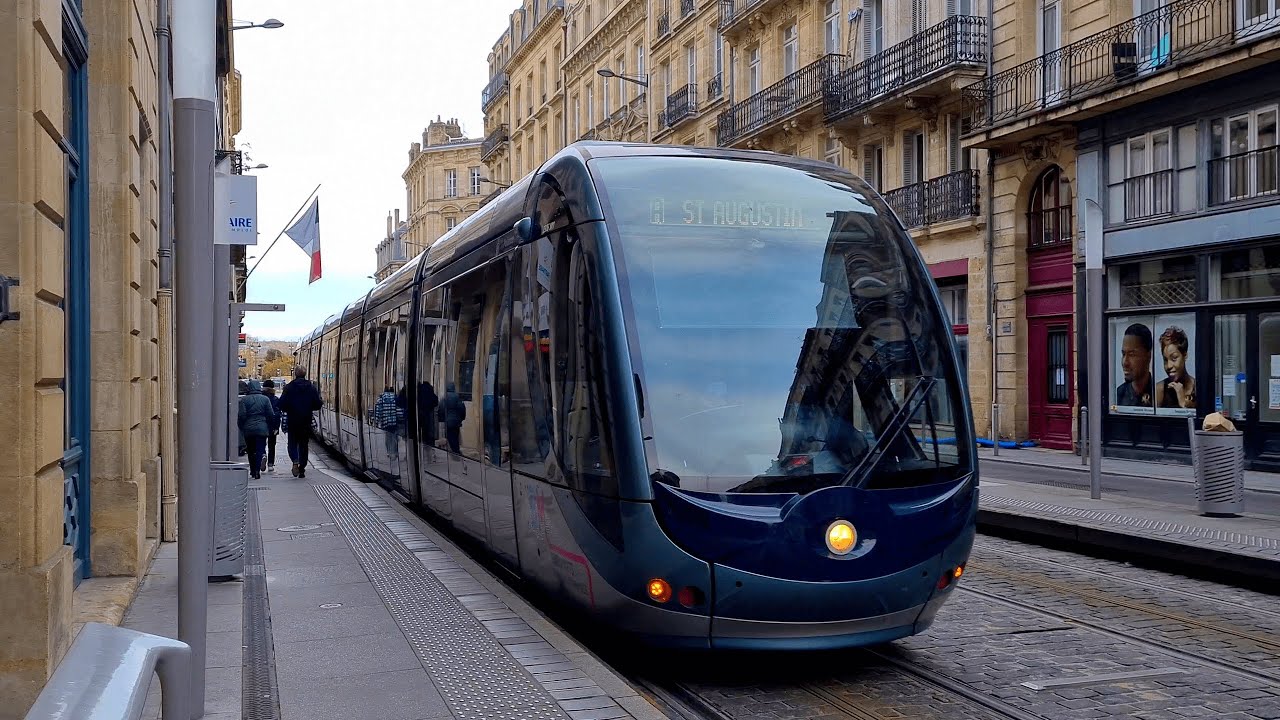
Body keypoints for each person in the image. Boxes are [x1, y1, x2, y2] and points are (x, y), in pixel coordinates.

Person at [278, 366, 323, 478]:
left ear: (295, 374)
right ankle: (302, 468)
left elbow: (281, 404)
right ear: (305, 374)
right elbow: (317, 404)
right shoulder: (311, 388)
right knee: (304, 445)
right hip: (306, 421)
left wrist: (289, 408)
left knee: (292, 443)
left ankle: (295, 460)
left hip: (292, 421)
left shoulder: (289, 388)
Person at [237, 379, 277, 480]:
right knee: (260, 448)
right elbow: (270, 414)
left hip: (248, 429)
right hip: (262, 428)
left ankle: (252, 469)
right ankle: (258, 469)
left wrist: (241, 426)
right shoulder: (265, 399)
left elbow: (242, 415)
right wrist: (271, 427)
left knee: (250, 451)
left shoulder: (244, 400)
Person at [1156, 326, 1196, 409]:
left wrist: (1182, 403)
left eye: (1174, 358)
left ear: (1185, 355)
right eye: (1165, 360)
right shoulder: (1160, 389)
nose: (1169, 366)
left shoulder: (1198, 388)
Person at [1116, 323, 1154, 408]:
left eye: (1132, 355)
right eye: (1123, 354)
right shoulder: (1118, 394)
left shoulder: (1159, 392)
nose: (1125, 362)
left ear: (1148, 356)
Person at [372, 385, 402, 462]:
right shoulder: (396, 398)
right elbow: (398, 410)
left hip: (385, 422)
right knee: (394, 437)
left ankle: (389, 452)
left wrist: (375, 420)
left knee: (388, 437)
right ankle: (395, 452)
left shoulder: (381, 399)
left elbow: (378, 410)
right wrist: (401, 419)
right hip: (394, 422)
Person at [439, 382, 466, 454]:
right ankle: (456, 451)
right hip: (456, 421)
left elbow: (441, 409)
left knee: (450, 437)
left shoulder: (444, 398)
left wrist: (441, 419)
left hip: (448, 421)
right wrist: (462, 418)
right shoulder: (457, 397)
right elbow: (462, 409)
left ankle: (455, 452)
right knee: (455, 436)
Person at [262, 379, 282, 472]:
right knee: (272, 445)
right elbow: (277, 414)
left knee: (261, 443)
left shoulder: (261, 398)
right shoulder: (275, 399)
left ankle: (262, 455)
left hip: (262, 424)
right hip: (272, 425)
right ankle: (270, 464)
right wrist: (276, 427)